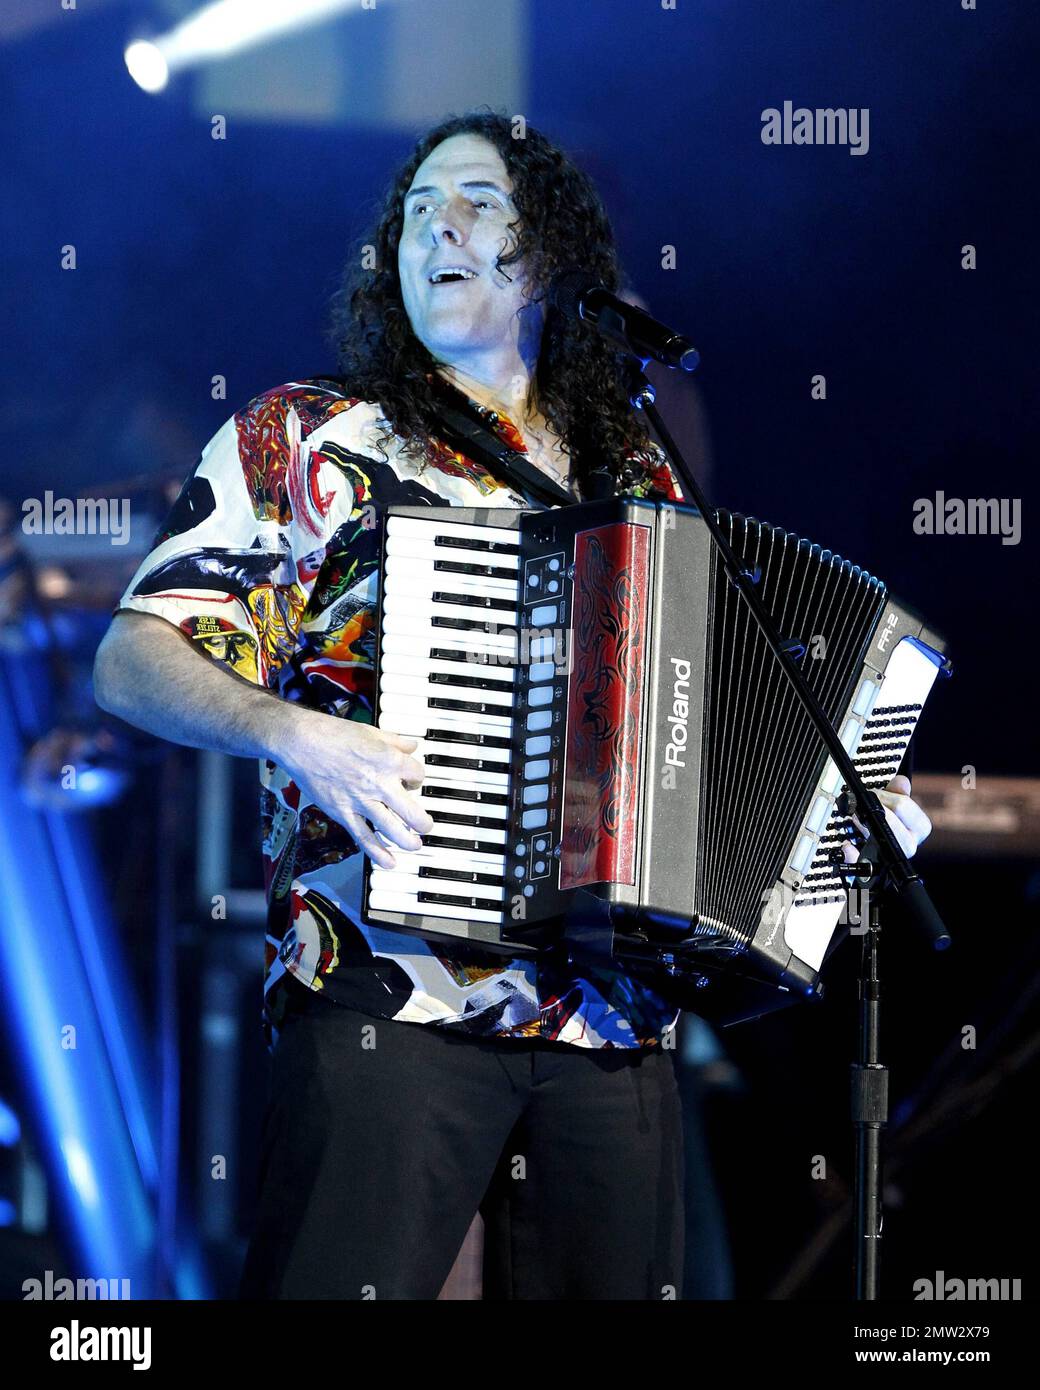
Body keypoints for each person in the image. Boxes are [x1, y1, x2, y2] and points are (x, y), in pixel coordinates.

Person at [92, 110, 932, 1301]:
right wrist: (292, 730)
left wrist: (833, 808)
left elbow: (703, 724)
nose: (435, 223)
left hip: (607, 1020)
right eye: (415, 210)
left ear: (545, 256)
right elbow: (132, 656)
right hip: (385, 986)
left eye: (475, 200)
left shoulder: (633, 471)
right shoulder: (311, 438)